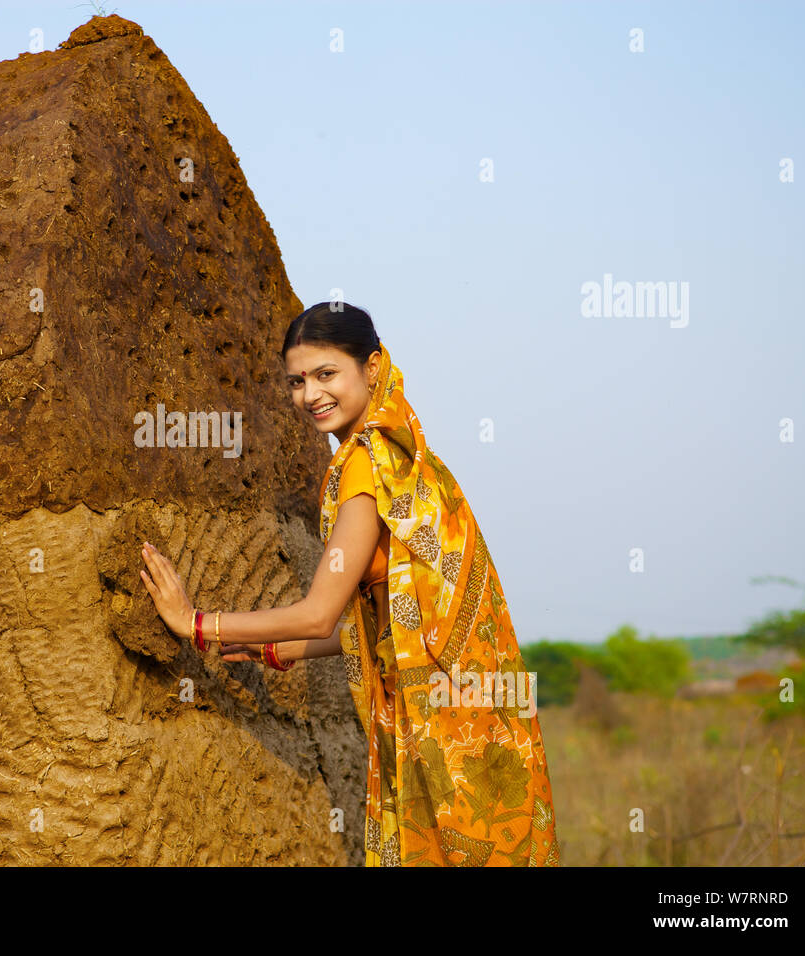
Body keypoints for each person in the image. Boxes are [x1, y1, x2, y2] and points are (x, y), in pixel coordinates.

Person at [139, 301, 560, 866]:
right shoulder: (408, 458)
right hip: (476, 722)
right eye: (296, 382)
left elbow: (319, 611)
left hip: (442, 735)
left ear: (372, 366)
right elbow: (396, 624)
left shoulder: (366, 467)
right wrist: (278, 648)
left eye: (325, 374)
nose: (309, 395)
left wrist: (195, 623)